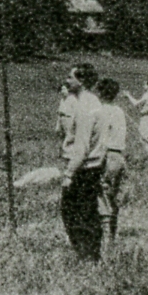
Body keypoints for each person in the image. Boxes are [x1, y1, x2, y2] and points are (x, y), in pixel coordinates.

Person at [59, 63, 105, 261]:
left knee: (73, 212)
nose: (67, 81)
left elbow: (82, 147)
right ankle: (91, 254)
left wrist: (69, 174)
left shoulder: (85, 108)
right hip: (93, 167)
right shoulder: (94, 102)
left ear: (82, 81)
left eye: (71, 78)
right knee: (88, 211)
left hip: (83, 168)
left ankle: (85, 254)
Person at [94, 78, 127, 249]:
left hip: (107, 156)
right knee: (114, 200)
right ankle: (112, 236)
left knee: (102, 196)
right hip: (120, 157)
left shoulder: (100, 111)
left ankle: (106, 241)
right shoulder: (119, 111)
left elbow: (101, 139)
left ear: (100, 92)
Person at [124, 79, 148, 156]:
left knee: (144, 138)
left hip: (145, 118)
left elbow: (136, 104)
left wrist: (128, 96)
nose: (143, 86)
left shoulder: (147, 95)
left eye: (145, 84)